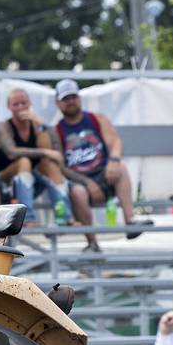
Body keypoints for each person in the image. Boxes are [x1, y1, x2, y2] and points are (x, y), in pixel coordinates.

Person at [53, 79, 151, 241]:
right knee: (78, 192)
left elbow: (115, 143)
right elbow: (61, 166)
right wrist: (88, 183)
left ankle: (130, 221)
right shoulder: (57, 131)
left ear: (79, 98)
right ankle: (92, 242)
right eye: (66, 99)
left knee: (121, 168)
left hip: (104, 173)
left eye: (73, 97)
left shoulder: (96, 119)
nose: (70, 102)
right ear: (58, 102)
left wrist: (114, 160)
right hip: (78, 180)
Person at [0, 88, 67, 222]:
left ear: (30, 104)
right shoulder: (3, 126)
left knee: (51, 166)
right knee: (24, 161)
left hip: (30, 181)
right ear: (9, 107)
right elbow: (12, 152)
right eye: (16, 104)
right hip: (2, 181)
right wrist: (47, 152)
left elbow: (56, 152)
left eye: (23, 103)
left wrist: (42, 125)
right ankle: (27, 219)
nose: (21, 107)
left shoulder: (36, 125)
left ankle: (65, 217)